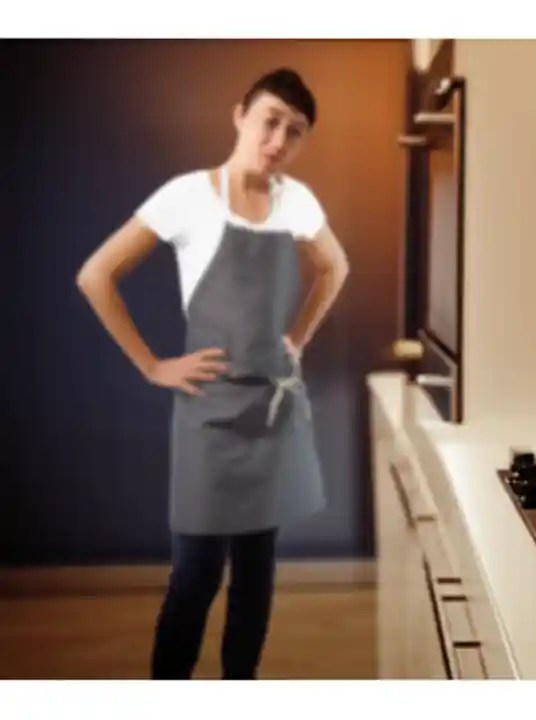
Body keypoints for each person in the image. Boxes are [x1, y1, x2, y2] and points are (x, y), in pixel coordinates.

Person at [75, 67, 350, 680]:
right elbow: (96, 274)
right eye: (270, 121)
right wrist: (152, 365)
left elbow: (335, 266)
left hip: (271, 415)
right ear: (240, 116)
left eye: (295, 132)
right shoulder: (186, 196)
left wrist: (296, 340)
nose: (278, 140)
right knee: (195, 577)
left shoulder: (297, 203)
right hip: (208, 416)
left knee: (256, 575)